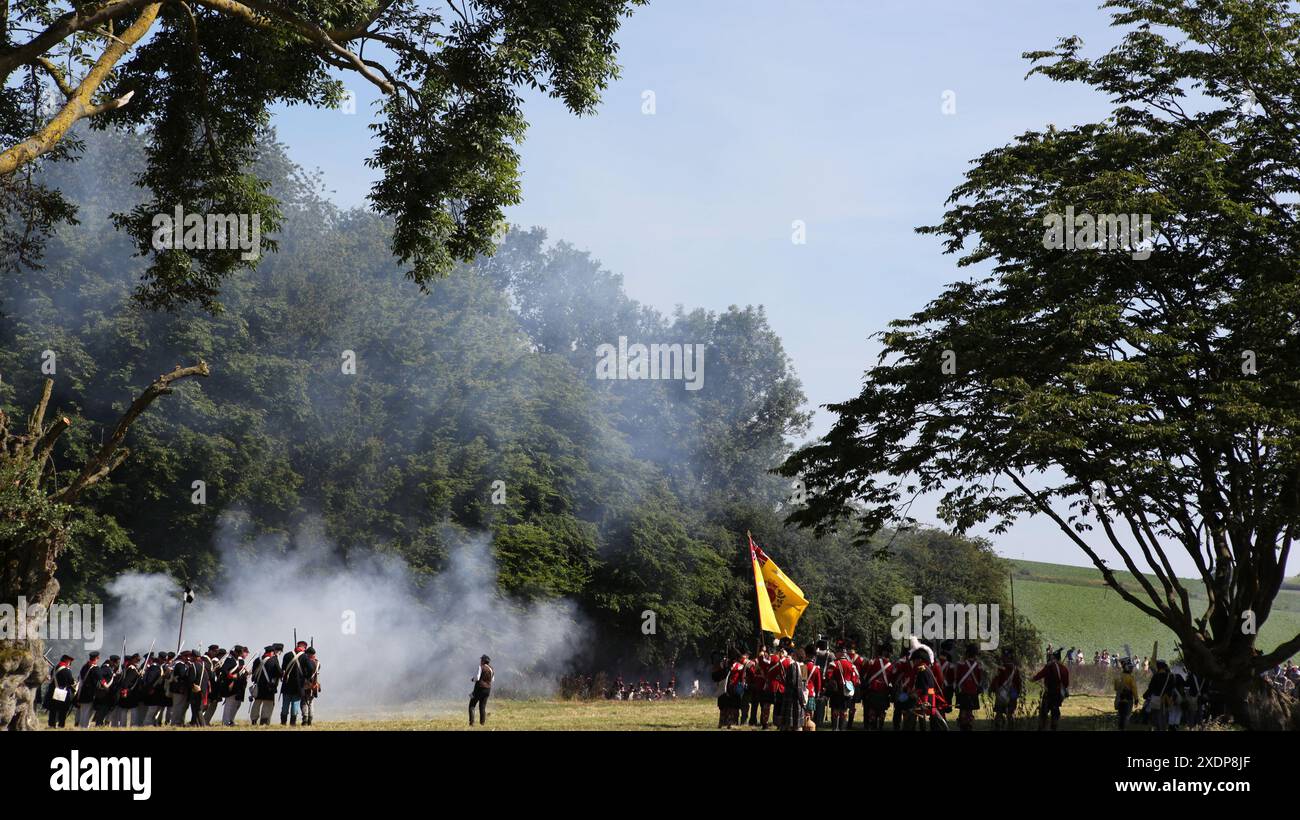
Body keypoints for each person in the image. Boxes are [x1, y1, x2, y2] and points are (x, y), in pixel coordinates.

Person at [1032, 649, 1069, 731]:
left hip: (1049, 694)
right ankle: (1054, 728)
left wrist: (1033, 679)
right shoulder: (1064, 669)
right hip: (1058, 694)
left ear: (1053, 658)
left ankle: (1042, 728)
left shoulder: (1049, 666)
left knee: (1043, 713)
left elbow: (1041, 674)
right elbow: (1066, 684)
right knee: (1055, 712)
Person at [825, 646, 860, 731]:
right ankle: (842, 728)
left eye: (837, 652)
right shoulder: (851, 665)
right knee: (844, 712)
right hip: (846, 692)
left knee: (835, 711)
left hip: (836, 692)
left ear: (840, 653)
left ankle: (835, 728)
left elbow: (828, 677)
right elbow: (855, 680)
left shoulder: (833, 664)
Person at [1143, 660, 1184, 731]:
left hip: (1156, 700)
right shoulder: (1170, 677)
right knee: (1165, 717)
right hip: (1166, 700)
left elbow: (1151, 688)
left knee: (1155, 717)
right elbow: (1172, 689)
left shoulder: (1156, 676)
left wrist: (1145, 695)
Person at [862, 643, 893, 731]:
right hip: (884, 692)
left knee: (872, 710)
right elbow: (891, 679)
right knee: (882, 711)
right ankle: (880, 727)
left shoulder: (873, 662)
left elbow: (866, 675)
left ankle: (872, 726)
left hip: (873, 690)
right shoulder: (890, 666)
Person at [954, 644, 984, 731]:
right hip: (973, 692)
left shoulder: (960, 664)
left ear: (967, 653)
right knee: (969, 711)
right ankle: (969, 726)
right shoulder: (978, 666)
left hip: (963, 691)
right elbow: (979, 679)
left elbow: (957, 678)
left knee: (963, 711)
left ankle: (963, 727)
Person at [990, 649, 1021, 731]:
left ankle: (998, 728)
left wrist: (992, 689)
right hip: (1013, 692)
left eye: (1003, 656)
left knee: (999, 713)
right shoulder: (1015, 669)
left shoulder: (1001, 668)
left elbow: (995, 681)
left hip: (1001, 693)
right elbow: (1018, 683)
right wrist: (1018, 693)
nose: (1002, 657)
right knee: (1010, 714)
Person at [249, 645, 280, 726]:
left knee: (257, 703)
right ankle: (264, 721)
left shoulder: (257, 660)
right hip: (269, 687)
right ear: (272, 652)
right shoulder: (273, 661)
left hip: (258, 686)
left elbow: (253, 673)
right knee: (268, 704)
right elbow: (279, 673)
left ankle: (254, 720)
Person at [279, 640, 308, 725]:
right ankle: (292, 723)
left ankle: (283, 722)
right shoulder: (305, 657)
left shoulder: (287, 655)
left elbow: (283, 667)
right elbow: (310, 669)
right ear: (304, 648)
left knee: (285, 705)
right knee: (295, 705)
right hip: (298, 686)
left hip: (287, 685)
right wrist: (305, 676)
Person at [221, 646, 250, 726]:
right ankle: (225, 722)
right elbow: (224, 670)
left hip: (238, 685)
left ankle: (231, 720)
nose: (241, 655)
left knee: (236, 704)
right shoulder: (229, 659)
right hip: (230, 684)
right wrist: (231, 676)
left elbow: (238, 671)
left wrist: (245, 672)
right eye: (240, 653)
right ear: (237, 652)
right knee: (229, 704)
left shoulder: (237, 660)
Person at [112, 654, 141, 727]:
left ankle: (124, 725)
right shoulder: (131, 669)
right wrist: (125, 690)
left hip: (130, 692)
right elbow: (126, 682)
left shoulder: (132, 668)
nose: (138, 661)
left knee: (125, 710)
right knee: (131, 710)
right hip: (130, 693)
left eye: (139, 660)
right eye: (137, 660)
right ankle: (131, 725)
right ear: (132, 660)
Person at [46, 655, 75, 728]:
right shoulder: (67, 670)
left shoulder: (55, 668)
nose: (70, 663)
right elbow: (71, 682)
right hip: (63, 692)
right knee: (63, 710)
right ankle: (61, 725)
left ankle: (51, 724)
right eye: (69, 661)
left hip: (53, 691)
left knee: (53, 709)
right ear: (67, 661)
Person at [92, 655, 120, 726]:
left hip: (108, 694)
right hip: (104, 694)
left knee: (105, 710)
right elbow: (100, 676)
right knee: (102, 710)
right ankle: (98, 724)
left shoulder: (110, 669)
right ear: (112, 661)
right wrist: (104, 685)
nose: (116, 664)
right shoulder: (106, 668)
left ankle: (100, 723)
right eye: (116, 662)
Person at [75, 651, 100, 728]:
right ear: (97, 658)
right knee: (87, 712)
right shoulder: (95, 668)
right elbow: (99, 679)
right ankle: (84, 727)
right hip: (90, 694)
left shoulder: (84, 667)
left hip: (82, 693)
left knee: (83, 712)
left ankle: (81, 726)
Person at [469, 654, 494, 726]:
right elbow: (492, 679)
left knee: (472, 705)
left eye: (481, 660)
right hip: (487, 690)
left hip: (479, 689)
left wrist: (472, 679)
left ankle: (471, 723)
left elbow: (477, 678)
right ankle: (482, 723)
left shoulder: (480, 667)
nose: (480, 661)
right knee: (482, 707)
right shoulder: (491, 668)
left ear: (483, 661)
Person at [1114, 659, 1138, 731]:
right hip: (1128, 700)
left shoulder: (1118, 676)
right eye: (1131, 667)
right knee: (1127, 716)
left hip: (1120, 699)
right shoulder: (1131, 678)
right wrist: (1136, 699)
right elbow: (1134, 689)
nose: (1132, 669)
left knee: (1120, 716)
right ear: (1127, 667)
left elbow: (1116, 688)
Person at [300, 647, 321, 726]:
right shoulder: (318, 663)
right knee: (311, 703)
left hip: (306, 685)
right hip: (314, 685)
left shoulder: (307, 662)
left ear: (308, 654)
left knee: (304, 702)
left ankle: (305, 719)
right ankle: (310, 719)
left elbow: (306, 673)